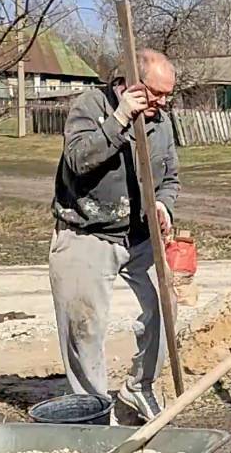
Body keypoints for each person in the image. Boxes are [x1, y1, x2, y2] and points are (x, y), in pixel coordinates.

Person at [49, 48, 179, 422]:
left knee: (159, 312)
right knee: (84, 325)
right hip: (86, 230)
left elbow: (170, 177)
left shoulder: (161, 122)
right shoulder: (90, 107)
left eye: (169, 94)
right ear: (130, 84)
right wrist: (120, 119)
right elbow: (78, 160)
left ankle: (141, 386)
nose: (164, 101)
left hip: (138, 236)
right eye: (157, 93)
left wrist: (163, 205)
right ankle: (92, 408)